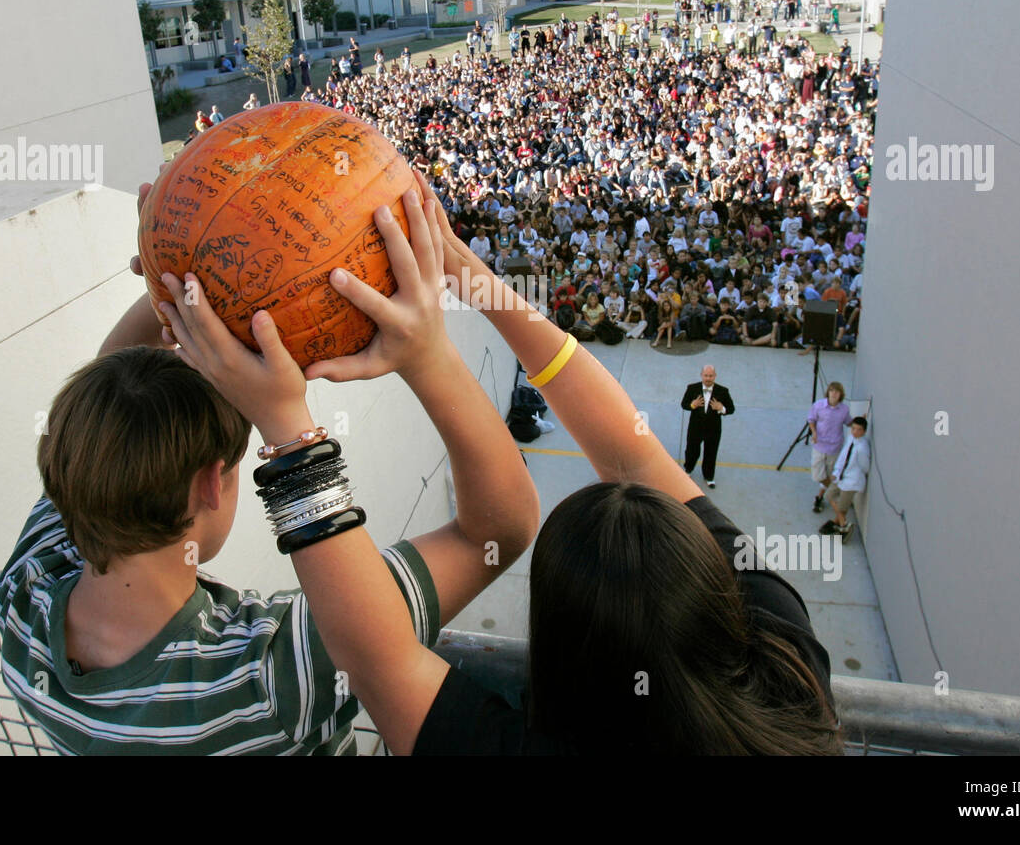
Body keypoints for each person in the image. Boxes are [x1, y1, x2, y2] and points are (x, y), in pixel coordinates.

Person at [162, 173, 837, 755]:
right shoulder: (787, 674)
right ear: (718, 591)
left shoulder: (788, 656)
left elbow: (374, 656)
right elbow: (374, 655)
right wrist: (290, 422)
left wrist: (447, 312)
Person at [0, 185, 537, 755]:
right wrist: (424, 357)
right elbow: (496, 531)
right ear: (212, 484)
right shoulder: (274, 678)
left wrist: (175, 292)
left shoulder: (24, 602)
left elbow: (100, 425)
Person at [680, 364, 734, 490]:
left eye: (710, 376)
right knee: (691, 449)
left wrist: (722, 408)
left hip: (713, 428)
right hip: (695, 427)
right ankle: (688, 469)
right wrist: (692, 405)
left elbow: (731, 409)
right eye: (706, 375)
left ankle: (709, 477)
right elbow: (684, 404)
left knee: (711, 452)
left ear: (715, 376)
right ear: (701, 375)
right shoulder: (692, 388)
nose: (708, 378)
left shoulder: (723, 391)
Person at [819, 417, 869, 541]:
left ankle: (838, 524)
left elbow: (865, 466)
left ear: (864, 431)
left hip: (852, 481)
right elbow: (843, 456)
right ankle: (843, 524)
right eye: (853, 428)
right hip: (841, 477)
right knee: (829, 496)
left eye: (859, 430)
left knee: (842, 506)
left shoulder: (862, 448)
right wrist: (836, 472)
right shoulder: (850, 439)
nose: (855, 432)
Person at [806, 382, 852, 514]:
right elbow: (811, 419)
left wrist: (861, 421)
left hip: (834, 447)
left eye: (836, 391)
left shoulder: (844, 410)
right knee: (818, 475)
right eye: (831, 390)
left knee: (830, 475)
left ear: (840, 395)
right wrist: (814, 432)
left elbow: (849, 422)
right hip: (819, 445)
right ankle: (837, 494)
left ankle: (820, 497)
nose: (833, 393)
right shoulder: (818, 405)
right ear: (828, 392)